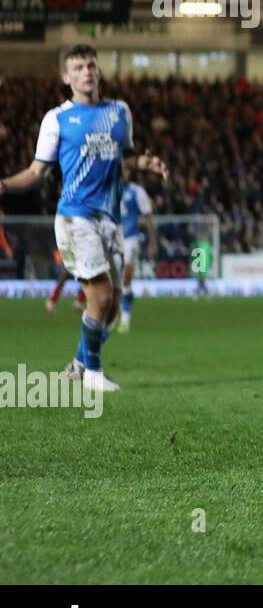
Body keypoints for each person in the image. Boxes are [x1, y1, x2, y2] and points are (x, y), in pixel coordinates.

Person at [0, 44, 169, 391]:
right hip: (76, 217)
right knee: (102, 296)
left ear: (98, 70)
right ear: (66, 77)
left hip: (111, 220)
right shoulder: (57, 119)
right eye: (77, 67)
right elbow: (36, 172)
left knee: (112, 308)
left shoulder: (120, 111)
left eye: (90, 65)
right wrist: (3, 185)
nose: (86, 72)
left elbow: (128, 156)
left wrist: (145, 163)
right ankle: (92, 374)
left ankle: (78, 365)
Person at [117, 159, 156, 332]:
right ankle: (114, 315)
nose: (124, 173)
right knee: (114, 281)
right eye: (121, 170)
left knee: (125, 278)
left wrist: (152, 241)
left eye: (126, 170)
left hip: (130, 239)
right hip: (112, 238)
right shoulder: (109, 190)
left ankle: (125, 318)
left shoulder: (137, 192)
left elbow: (148, 216)